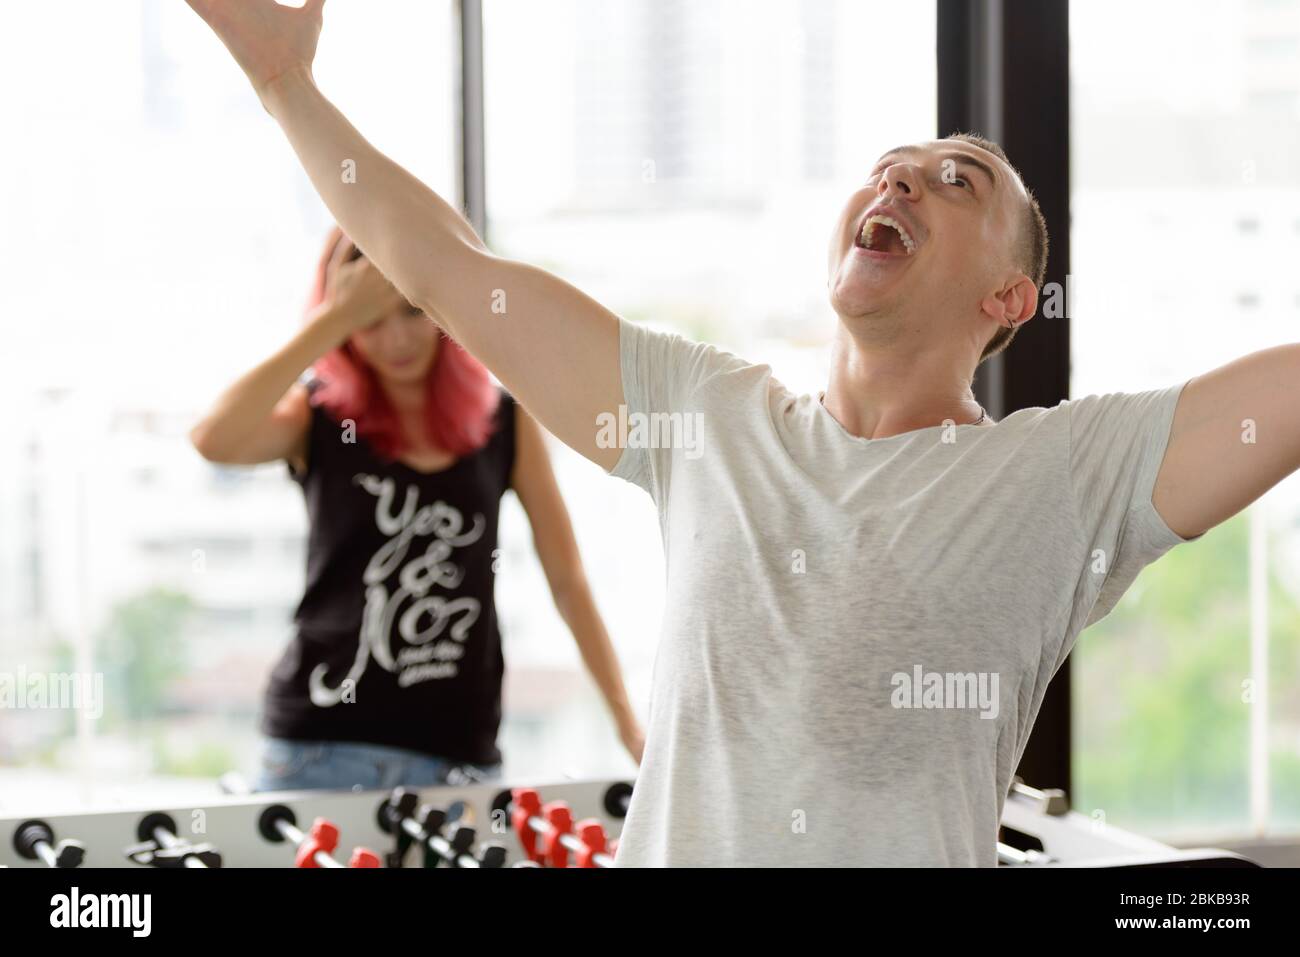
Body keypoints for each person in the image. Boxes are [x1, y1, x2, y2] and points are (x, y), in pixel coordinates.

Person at [184, 0, 1300, 864]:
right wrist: (286, 86)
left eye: (953, 180)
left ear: (1009, 300)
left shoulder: (1064, 478)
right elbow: (451, 270)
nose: (903, 177)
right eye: (889, 168)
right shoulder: (704, 416)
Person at [190, 225, 644, 792]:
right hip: (324, 747)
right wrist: (334, 319)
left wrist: (629, 724)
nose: (396, 340)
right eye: (370, 321)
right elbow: (214, 439)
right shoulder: (321, 420)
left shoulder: (503, 421)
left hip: (461, 754)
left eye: (411, 311)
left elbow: (567, 580)